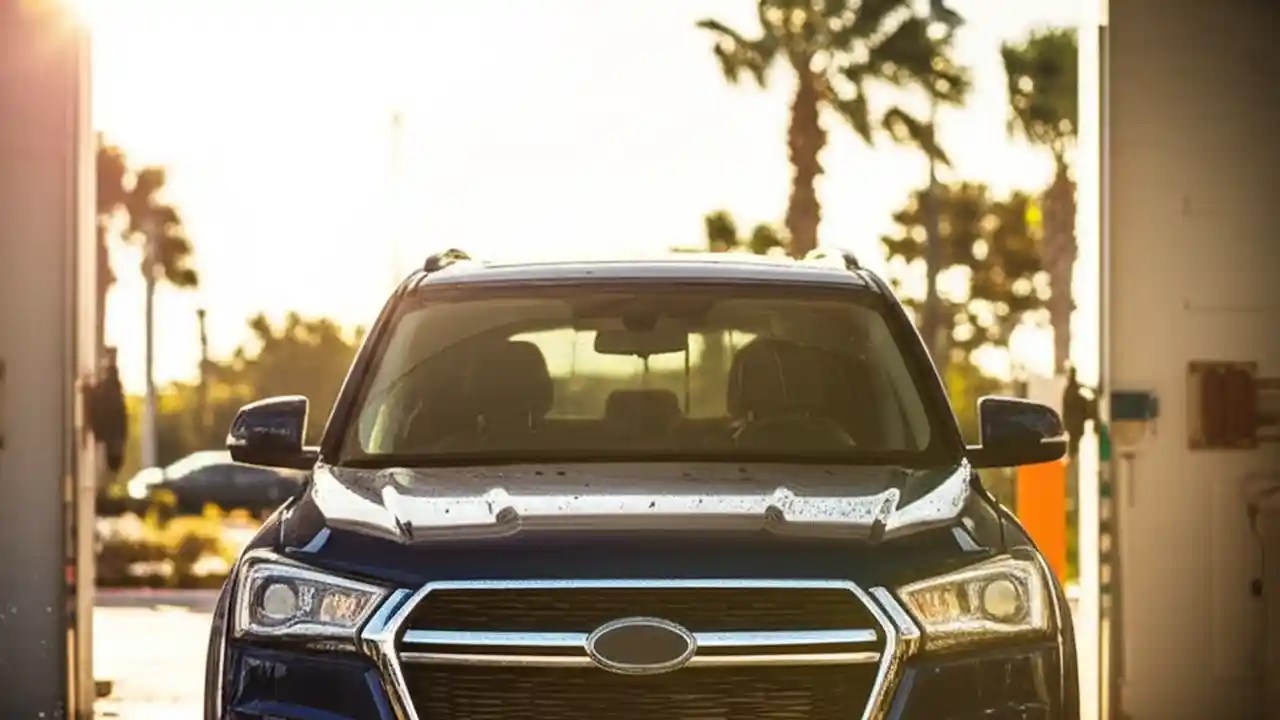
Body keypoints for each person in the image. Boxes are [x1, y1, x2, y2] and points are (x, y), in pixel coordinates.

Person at [85, 347, 127, 473]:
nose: (118, 448)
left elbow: (98, 413)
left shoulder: (105, 435)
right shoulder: (111, 435)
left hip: (103, 395)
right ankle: (110, 361)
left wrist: (91, 393)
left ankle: (110, 361)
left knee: (111, 385)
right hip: (105, 395)